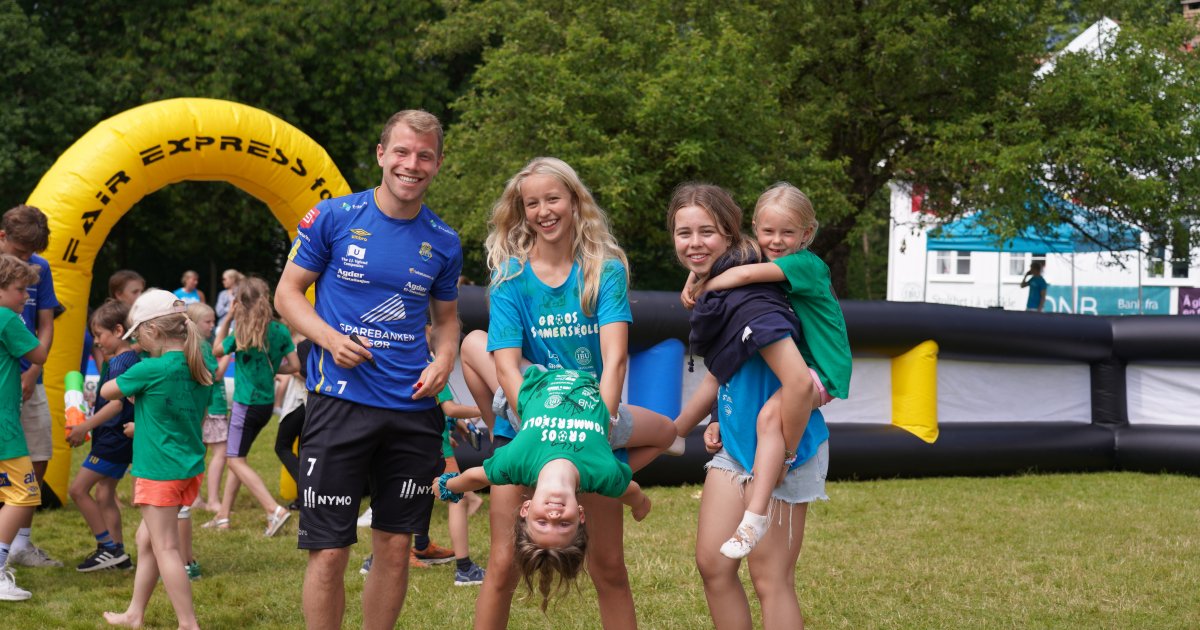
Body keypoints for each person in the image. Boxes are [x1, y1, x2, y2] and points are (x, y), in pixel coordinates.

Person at [458, 157, 674, 629]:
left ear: (575, 202)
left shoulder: (604, 271)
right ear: (521, 212)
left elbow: (614, 358)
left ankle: (597, 476)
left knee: (610, 569)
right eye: (531, 203)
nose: (543, 211)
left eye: (552, 199)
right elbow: (506, 364)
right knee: (501, 567)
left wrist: (601, 427)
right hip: (526, 422)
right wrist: (526, 419)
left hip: (589, 421)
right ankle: (498, 428)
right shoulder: (511, 278)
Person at [274, 109, 463, 630]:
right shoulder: (333, 217)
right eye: (402, 152)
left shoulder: (443, 240)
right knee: (330, 552)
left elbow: (447, 322)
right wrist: (329, 339)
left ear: (438, 164)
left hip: (412, 411)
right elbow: (287, 294)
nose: (412, 164)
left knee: (396, 548)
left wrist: (445, 359)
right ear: (381, 155)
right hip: (339, 406)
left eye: (424, 155)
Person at [669, 183, 830, 629]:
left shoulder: (755, 287)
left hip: (783, 446)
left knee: (770, 577)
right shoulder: (729, 283)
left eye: (707, 232)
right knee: (714, 566)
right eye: (684, 233)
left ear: (730, 232)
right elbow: (729, 370)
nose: (695, 243)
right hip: (736, 444)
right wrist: (691, 423)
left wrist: (785, 455)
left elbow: (798, 385)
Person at [439, 367, 654, 610]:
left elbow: (476, 478)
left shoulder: (516, 463)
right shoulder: (602, 473)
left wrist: (447, 486)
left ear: (526, 509)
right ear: (580, 515)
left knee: (472, 344)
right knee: (668, 434)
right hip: (586, 370)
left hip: (538, 369)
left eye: (542, 523)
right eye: (564, 524)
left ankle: (492, 425)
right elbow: (632, 491)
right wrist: (641, 507)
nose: (554, 516)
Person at [98, 289, 213, 629]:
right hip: (186, 467)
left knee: (166, 548)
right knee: (145, 541)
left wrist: (125, 369)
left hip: (159, 472)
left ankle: (187, 624)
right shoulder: (198, 365)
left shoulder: (150, 368)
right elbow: (186, 415)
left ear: (153, 332)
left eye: (138, 336)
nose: (138, 343)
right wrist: (143, 426)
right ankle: (135, 614)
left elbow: (107, 391)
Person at [207, 277, 296, 535]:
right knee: (240, 456)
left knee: (234, 460)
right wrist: (270, 371)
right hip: (266, 405)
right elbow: (294, 366)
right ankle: (223, 515)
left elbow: (215, 351)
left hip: (245, 406)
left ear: (239, 304)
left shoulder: (241, 333)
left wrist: (225, 321)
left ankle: (273, 510)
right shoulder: (279, 330)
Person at [0, 204, 60, 568]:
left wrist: (33, 374)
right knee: (19, 477)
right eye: (22, 252)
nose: (29, 258)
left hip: (26, 380)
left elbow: (47, 324)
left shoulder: (41, 267)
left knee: (37, 456)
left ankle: (19, 543)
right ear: (2, 237)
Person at [66, 300, 137, 572]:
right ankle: (118, 554)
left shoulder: (120, 363)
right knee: (105, 493)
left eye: (99, 335)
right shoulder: (122, 360)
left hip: (113, 439)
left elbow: (117, 404)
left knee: (78, 489)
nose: (96, 342)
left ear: (118, 330)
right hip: (118, 439)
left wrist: (84, 427)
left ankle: (106, 547)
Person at [0, 254, 51, 600]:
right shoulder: (7, 318)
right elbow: (39, 355)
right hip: (4, 427)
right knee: (24, 494)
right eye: (20, 290)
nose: (25, 298)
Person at [185, 303, 233, 516]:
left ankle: (194, 497)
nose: (212, 326)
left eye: (214, 322)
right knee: (220, 453)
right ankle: (212, 499)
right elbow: (217, 375)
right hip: (213, 406)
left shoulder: (195, 344)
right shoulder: (203, 346)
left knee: (199, 452)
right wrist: (229, 353)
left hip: (203, 406)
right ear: (195, 323)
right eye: (208, 322)